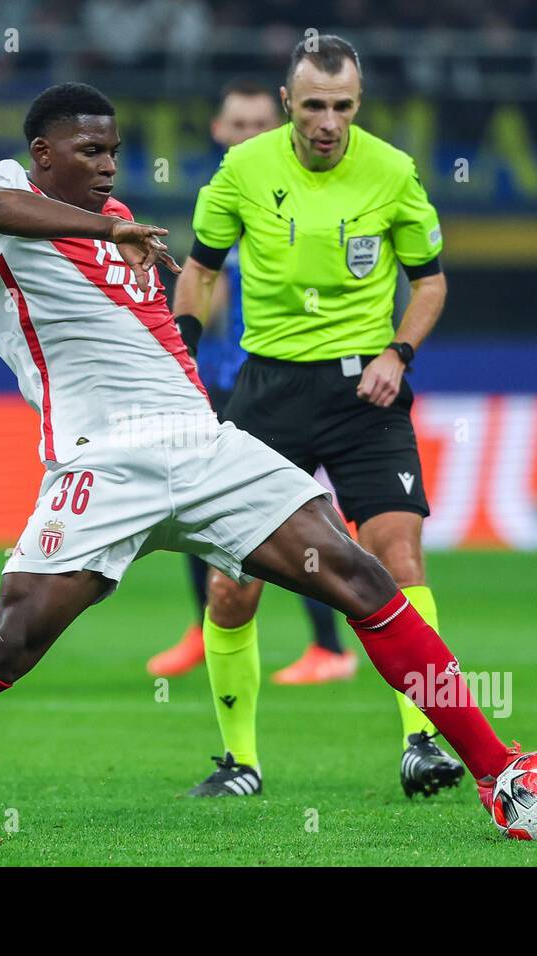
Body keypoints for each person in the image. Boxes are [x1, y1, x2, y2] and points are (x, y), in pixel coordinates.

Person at [0, 81, 537, 841]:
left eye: (113, 152)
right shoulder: (12, 202)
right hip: (101, 464)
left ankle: (499, 773)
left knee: (364, 580)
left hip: (202, 446)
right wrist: (106, 227)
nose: (107, 165)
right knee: (11, 641)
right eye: (87, 152)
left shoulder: (126, 222)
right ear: (43, 154)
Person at [173, 35, 469, 800]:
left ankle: (422, 743)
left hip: (364, 393)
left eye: (341, 107)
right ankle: (240, 762)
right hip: (268, 392)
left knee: (398, 556)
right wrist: (185, 350)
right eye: (313, 106)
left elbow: (430, 283)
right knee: (231, 584)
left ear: (358, 105)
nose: (328, 122)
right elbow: (200, 270)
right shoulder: (243, 170)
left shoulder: (393, 172)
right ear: (287, 104)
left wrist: (399, 352)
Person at [146, 77, 349, 686]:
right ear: (218, 131)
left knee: (290, 513)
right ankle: (206, 626)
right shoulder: (224, 196)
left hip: (274, 381)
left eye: (261, 125)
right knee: (195, 508)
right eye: (238, 125)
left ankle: (328, 645)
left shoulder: (301, 201)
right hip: (214, 381)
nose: (248, 135)